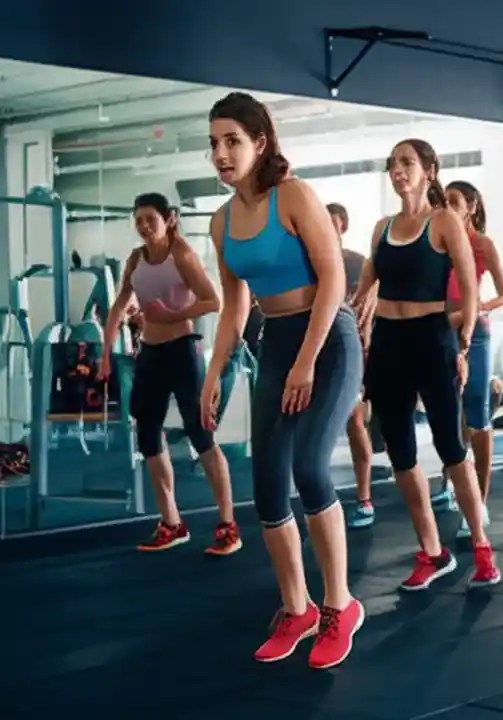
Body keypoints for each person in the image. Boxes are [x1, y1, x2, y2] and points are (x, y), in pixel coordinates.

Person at [202, 92, 364, 668]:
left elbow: (334, 281)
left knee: (310, 465)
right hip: (276, 344)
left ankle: (338, 606)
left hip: (329, 339)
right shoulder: (222, 223)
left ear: (260, 142)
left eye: (233, 141)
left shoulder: (293, 196)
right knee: (267, 483)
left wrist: (305, 361)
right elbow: (233, 305)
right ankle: (296, 608)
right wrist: (213, 372)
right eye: (215, 143)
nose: (221, 153)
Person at [351, 139, 502, 589]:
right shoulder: (380, 229)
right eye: (393, 164)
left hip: (432, 338)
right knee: (400, 453)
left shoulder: (444, 223)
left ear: (428, 171)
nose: (398, 171)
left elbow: (471, 287)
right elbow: (364, 293)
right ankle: (432, 552)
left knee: (452, 449)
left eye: (407, 163)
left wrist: (464, 340)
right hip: (388, 343)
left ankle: (480, 545)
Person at [99, 192, 239, 556]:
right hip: (150, 353)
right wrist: (104, 355)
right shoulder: (136, 259)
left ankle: (227, 525)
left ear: (168, 219)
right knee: (147, 435)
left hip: (182, 349)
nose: (144, 226)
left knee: (200, 434)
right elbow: (118, 307)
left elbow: (213, 301)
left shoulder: (183, 256)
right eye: (139, 219)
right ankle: (172, 523)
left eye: (151, 219)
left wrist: (168, 316)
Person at [444, 180, 503, 538]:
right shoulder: (438, 240)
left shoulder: (481, 244)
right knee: (448, 413)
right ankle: (455, 486)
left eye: (455, 201)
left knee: (477, 414)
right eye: (445, 201)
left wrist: (473, 309)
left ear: (470, 206)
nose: (449, 207)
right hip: (441, 331)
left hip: (474, 331)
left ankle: (479, 503)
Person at [328, 203, 378, 530]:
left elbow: (369, 311)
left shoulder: (357, 264)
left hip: (353, 352)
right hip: (320, 353)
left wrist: (367, 348)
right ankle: (323, 499)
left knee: (355, 422)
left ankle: (364, 497)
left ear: (342, 226)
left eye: (332, 222)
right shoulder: (311, 263)